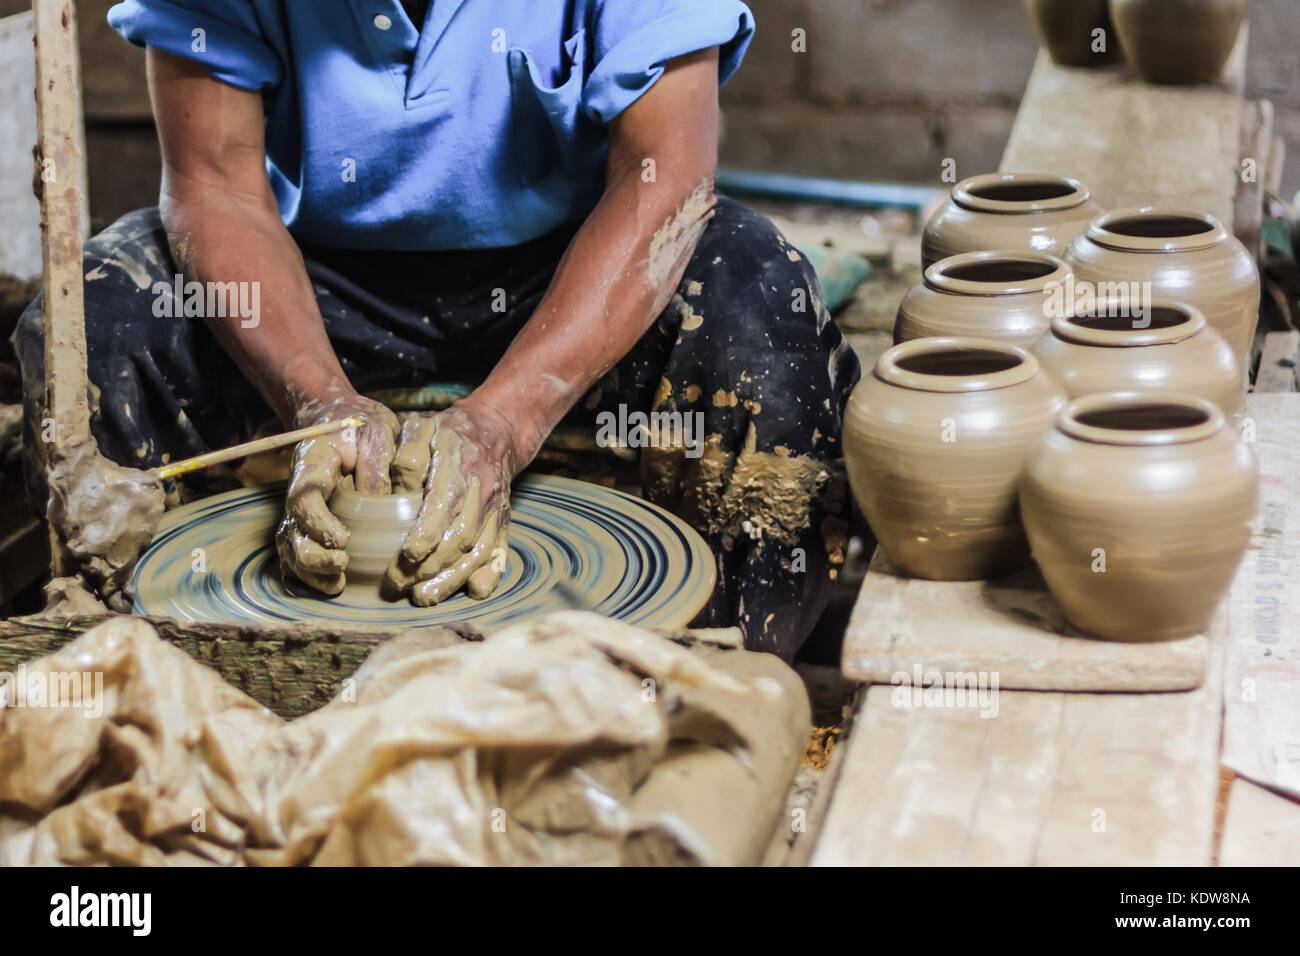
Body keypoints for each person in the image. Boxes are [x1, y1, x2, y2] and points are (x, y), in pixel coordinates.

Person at [16, 0, 860, 660]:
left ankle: (711, 680)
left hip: (571, 274)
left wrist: (504, 420)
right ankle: (157, 665)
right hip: (309, 281)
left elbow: (666, 177)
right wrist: (317, 403)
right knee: (94, 323)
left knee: (762, 307)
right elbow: (217, 186)